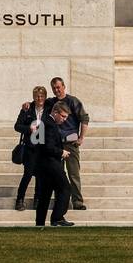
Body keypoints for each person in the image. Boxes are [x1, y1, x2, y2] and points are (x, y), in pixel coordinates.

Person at [42, 76, 89, 210]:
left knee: (73, 173)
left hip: (71, 143)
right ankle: (61, 202)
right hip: (56, 145)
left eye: (58, 87)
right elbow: (37, 103)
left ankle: (77, 202)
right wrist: (27, 104)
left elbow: (84, 118)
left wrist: (81, 138)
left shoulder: (73, 101)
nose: (56, 90)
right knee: (58, 174)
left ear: (64, 87)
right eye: (54, 88)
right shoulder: (51, 102)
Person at [33, 101, 75, 227]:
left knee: (45, 195)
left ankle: (40, 223)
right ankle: (57, 217)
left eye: (66, 117)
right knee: (65, 188)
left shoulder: (45, 122)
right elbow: (47, 147)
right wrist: (61, 152)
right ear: (55, 112)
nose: (64, 119)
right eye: (63, 116)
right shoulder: (49, 124)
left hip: (43, 164)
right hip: (50, 163)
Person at [13, 86, 47, 210]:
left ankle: (37, 199)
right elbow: (17, 126)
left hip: (43, 147)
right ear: (33, 97)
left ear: (45, 97)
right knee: (27, 174)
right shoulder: (27, 109)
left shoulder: (49, 109)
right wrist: (29, 129)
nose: (39, 98)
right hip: (30, 147)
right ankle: (20, 199)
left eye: (42, 96)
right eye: (37, 96)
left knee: (40, 175)